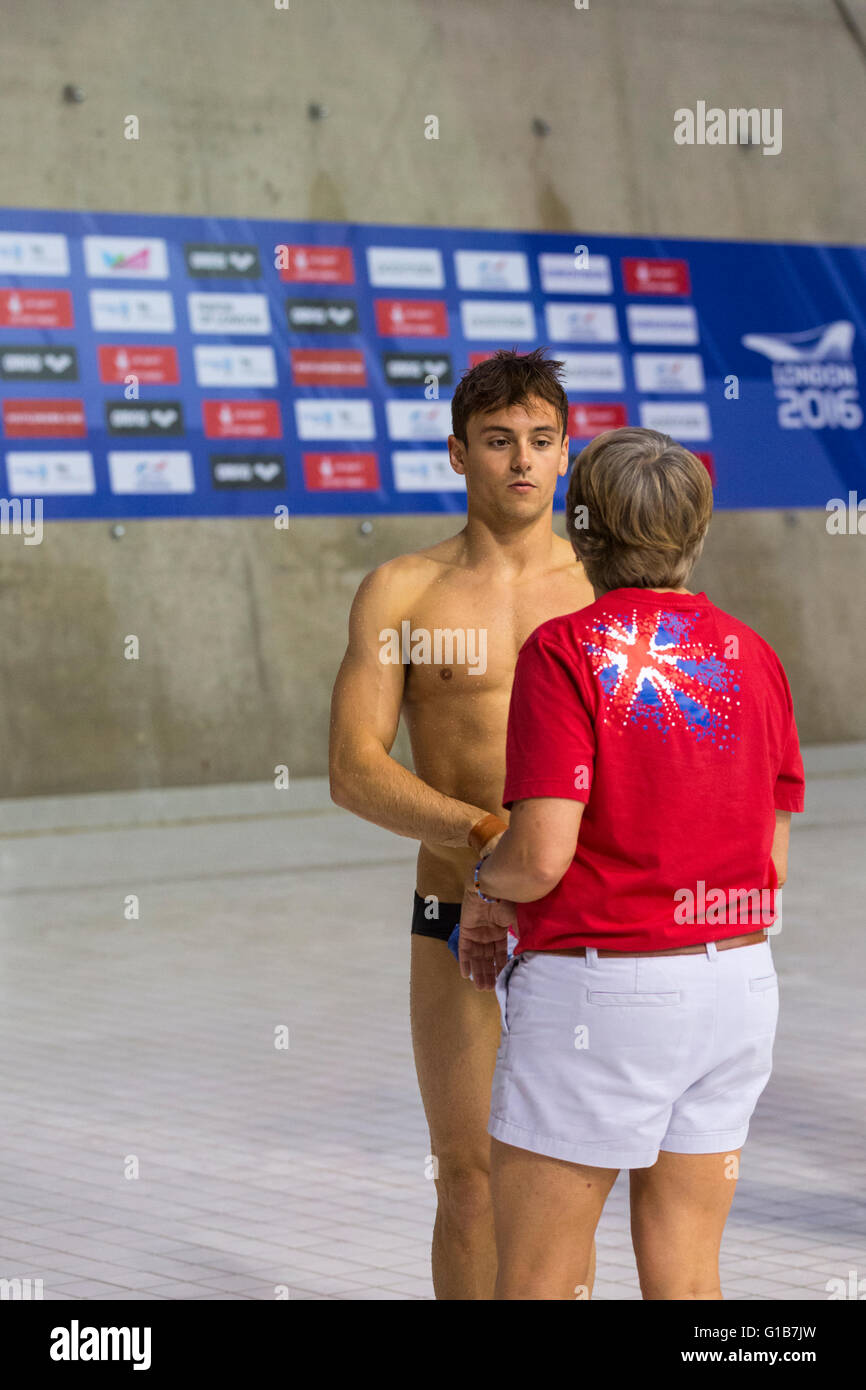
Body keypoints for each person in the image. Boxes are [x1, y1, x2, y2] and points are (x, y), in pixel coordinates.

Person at [463, 426, 805, 1300]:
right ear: (697, 532)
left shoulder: (564, 652)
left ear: (580, 532)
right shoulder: (755, 658)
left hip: (605, 990)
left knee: (538, 1279)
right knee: (689, 1280)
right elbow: (772, 856)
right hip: (737, 988)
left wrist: (481, 884)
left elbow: (539, 855)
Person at [329, 349, 594, 1298]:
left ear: (565, 455)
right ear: (457, 454)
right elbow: (353, 769)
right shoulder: (403, 591)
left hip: (588, 927)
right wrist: (491, 841)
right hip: (452, 921)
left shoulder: (607, 590)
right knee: (470, 1183)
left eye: (541, 440)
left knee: (564, 1187)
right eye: (497, 441)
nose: (522, 459)